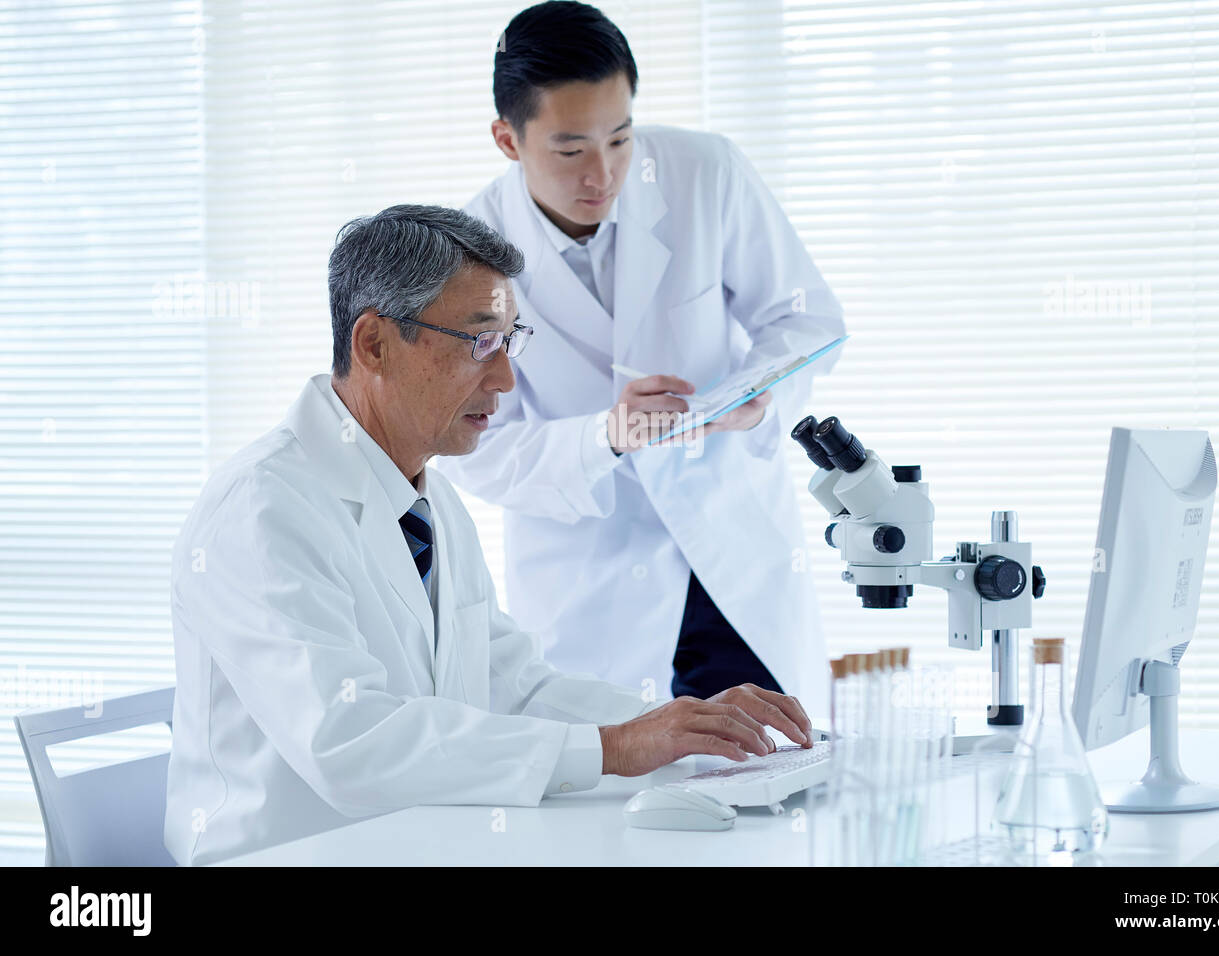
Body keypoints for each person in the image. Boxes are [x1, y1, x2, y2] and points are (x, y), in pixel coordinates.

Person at [163, 205, 813, 866]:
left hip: (419, 845)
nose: (505, 380)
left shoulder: (430, 499)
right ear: (375, 344)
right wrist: (612, 748)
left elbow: (512, 684)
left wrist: (685, 727)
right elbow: (348, 740)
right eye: (479, 342)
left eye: (510, 341)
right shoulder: (262, 509)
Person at [439, 1, 845, 714]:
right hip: (592, 587)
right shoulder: (470, 250)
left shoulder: (703, 172)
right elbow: (473, 449)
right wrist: (604, 437)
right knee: (609, 805)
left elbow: (807, 318)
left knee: (774, 780)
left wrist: (755, 398)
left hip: (733, 561)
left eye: (620, 138)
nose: (603, 174)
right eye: (570, 150)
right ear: (507, 139)